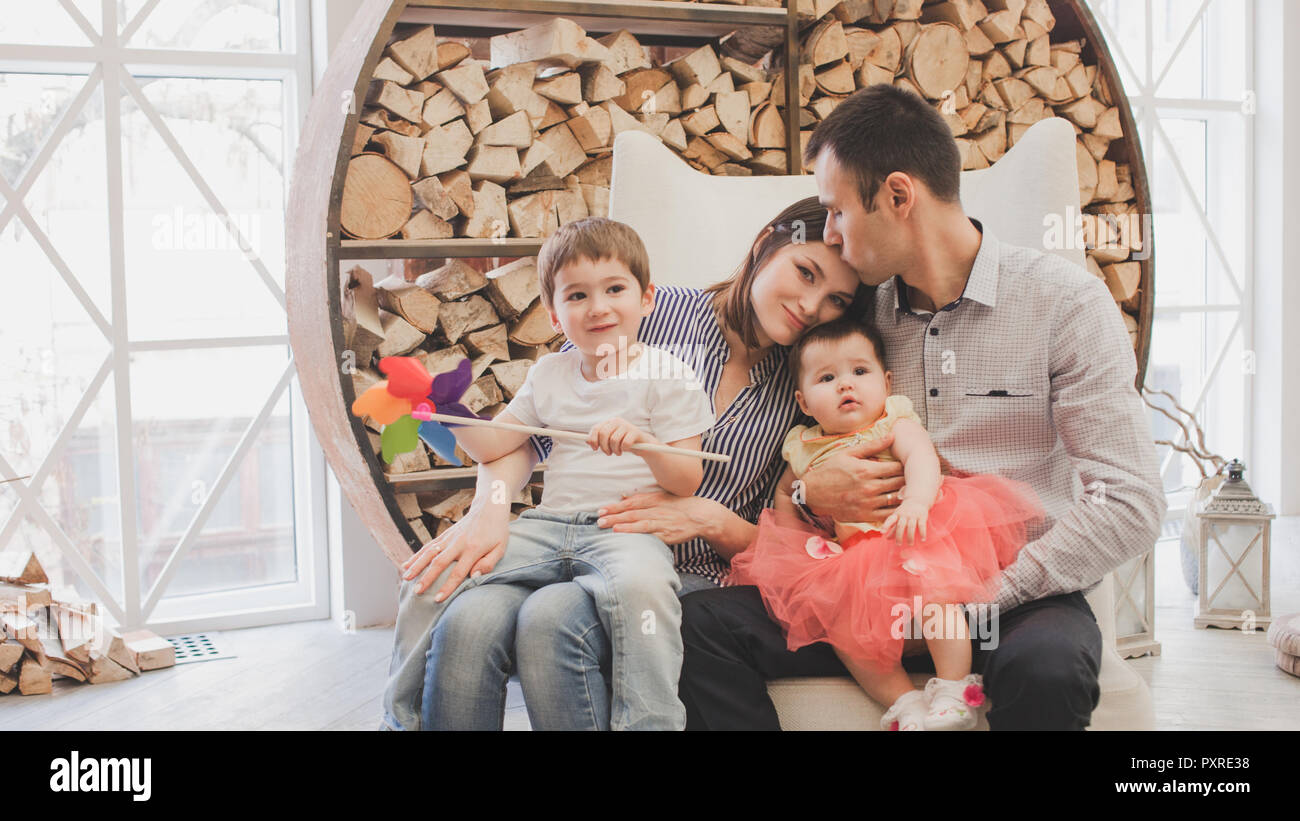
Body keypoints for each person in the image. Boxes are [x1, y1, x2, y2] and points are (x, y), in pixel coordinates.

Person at [677, 84, 1167, 731]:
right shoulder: (850, 321)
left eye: (837, 210)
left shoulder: (1065, 305)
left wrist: (975, 602)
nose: (829, 233)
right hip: (862, 586)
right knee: (695, 626)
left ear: (898, 197)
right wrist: (808, 494)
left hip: (1014, 590)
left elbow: (1130, 501)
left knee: (1048, 669)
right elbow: (803, 453)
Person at [382, 197, 866, 731]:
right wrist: (488, 511)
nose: (811, 305)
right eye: (805, 272)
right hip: (574, 532)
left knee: (549, 620)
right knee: (466, 621)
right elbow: (526, 438)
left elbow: (793, 534)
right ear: (764, 244)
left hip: (691, 571)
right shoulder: (647, 309)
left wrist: (711, 519)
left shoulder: (817, 379)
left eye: (836, 299)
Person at [398, 217, 714, 730]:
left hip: (623, 531)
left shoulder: (670, 374)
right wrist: (451, 413)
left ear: (647, 299)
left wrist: (644, 444)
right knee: (430, 578)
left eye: (615, 289)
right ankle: (399, 718)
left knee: (644, 588)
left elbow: (687, 480)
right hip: (549, 527)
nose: (598, 307)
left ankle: (650, 723)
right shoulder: (548, 373)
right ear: (553, 315)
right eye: (577, 295)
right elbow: (495, 445)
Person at [728, 318, 1044, 730]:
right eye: (827, 378)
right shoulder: (803, 446)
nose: (846, 384)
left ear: (887, 382)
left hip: (915, 532)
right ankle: (904, 703)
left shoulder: (893, 422)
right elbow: (787, 494)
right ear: (803, 402)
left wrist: (916, 501)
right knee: (846, 632)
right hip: (853, 558)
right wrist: (793, 542)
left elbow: (922, 458)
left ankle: (954, 691)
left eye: (860, 371)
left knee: (937, 599)